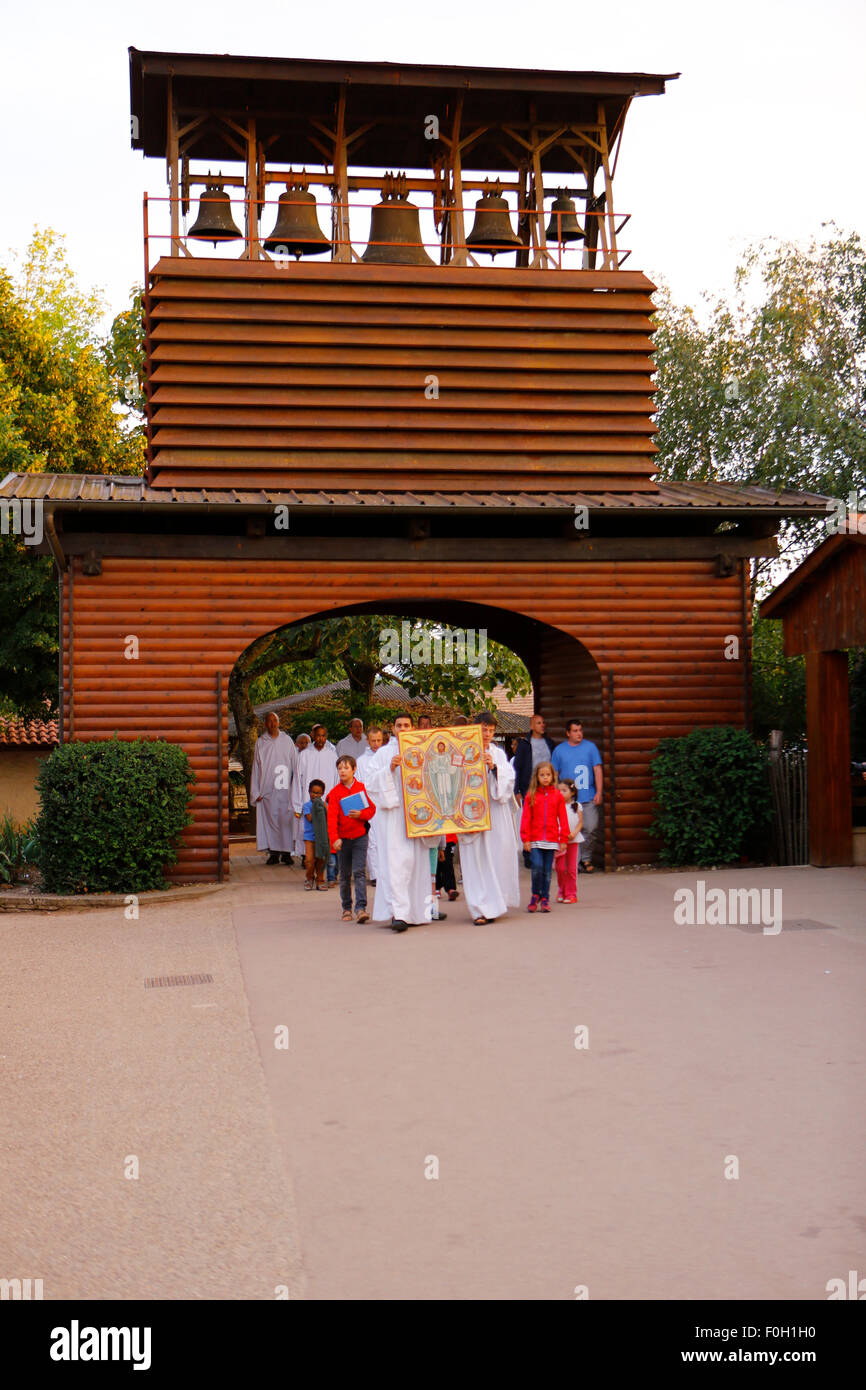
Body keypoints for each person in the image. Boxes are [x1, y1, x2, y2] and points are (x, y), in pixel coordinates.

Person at [363, 713, 445, 932]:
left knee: (418, 864)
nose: (403, 729)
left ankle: (417, 912)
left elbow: (437, 778)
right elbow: (370, 783)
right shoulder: (383, 754)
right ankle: (398, 913)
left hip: (418, 817)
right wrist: (388, 769)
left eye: (407, 725)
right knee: (397, 864)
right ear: (393, 728)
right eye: (399, 725)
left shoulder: (423, 750)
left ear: (412, 727)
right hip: (394, 818)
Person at [459, 711, 520, 925]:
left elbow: (508, 779)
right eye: (483, 729)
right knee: (475, 860)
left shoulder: (498, 753)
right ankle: (479, 909)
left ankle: (496, 904)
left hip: (494, 813)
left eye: (491, 730)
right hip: (472, 813)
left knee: (495, 856)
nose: (487, 733)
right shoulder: (462, 751)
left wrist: (494, 768)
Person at [326, 755, 376, 923]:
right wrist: (334, 838)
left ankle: (361, 908)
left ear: (354, 769)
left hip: (360, 836)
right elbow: (331, 819)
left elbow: (372, 810)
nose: (342, 771)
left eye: (346, 768)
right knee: (345, 875)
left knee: (359, 872)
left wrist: (361, 814)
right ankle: (346, 908)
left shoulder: (362, 788)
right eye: (340, 768)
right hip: (343, 839)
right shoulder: (334, 793)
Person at [551, 720, 603, 873]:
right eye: (575, 731)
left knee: (591, 827)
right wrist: (555, 793)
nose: (578, 733)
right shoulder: (559, 750)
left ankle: (585, 858)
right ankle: (574, 861)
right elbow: (555, 774)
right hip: (568, 799)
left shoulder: (590, 748)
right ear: (568, 733)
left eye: (580, 730)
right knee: (570, 830)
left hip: (588, 795)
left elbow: (597, 769)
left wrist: (599, 791)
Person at [520, 761, 569, 913]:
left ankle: (545, 898)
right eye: (542, 775)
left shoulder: (557, 796)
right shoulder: (531, 795)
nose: (545, 778)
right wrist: (525, 838)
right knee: (537, 867)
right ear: (537, 777)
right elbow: (526, 817)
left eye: (548, 775)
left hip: (552, 839)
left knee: (547, 871)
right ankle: (535, 894)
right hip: (535, 839)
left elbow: (563, 818)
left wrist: (563, 839)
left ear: (553, 776)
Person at [250, 711, 297, 865]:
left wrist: (296, 788)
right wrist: (255, 791)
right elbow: (256, 767)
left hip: (285, 789)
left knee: (286, 821)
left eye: (274, 721)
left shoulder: (287, 741)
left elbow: (295, 765)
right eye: (269, 721)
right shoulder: (261, 742)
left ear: (278, 722)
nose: (272, 723)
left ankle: (287, 853)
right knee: (270, 822)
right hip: (268, 789)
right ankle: (274, 853)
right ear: (265, 724)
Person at [294, 725, 339, 881]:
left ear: (326, 737)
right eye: (318, 735)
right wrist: (297, 804)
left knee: (326, 840)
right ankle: (309, 870)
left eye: (323, 736)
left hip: (326, 804)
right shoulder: (304, 755)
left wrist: (334, 804)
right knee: (309, 837)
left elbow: (336, 780)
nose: (320, 739)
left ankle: (324, 874)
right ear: (313, 736)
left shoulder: (332, 756)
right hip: (308, 803)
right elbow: (297, 781)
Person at [512, 714, 556, 868]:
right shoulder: (525, 744)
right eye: (538, 723)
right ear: (531, 726)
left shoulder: (549, 743)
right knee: (529, 820)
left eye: (543, 722)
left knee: (545, 818)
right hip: (529, 787)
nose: (542, 725)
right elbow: (517, 767)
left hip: (547, 788)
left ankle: (544, 850)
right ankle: (528, 853)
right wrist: (516, 789)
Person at [356, 726, 384, 884]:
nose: (376, 744)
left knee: (386, 839)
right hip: (370, 804)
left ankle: (387, 872)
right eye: (373, 741)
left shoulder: (386, 756)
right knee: (372, 840)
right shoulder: (361, 761)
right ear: (368, 741)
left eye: (379, 740)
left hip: (386, 803)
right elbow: (360, 785)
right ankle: (374, 874)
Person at [554, 781, 584, 904]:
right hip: (560, 840)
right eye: (559, 790)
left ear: (572, 793)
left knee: (571, 868)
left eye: (564, 790)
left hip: (573, 840)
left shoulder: (577, 806)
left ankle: (571, 893)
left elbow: (580, 822)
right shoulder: (556, 805)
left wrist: (574, 833)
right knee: (560, 868)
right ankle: (562, 889)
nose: (561, 793)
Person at [301, 779, 330, 890]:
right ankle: (309, 878)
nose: (315, 795)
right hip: (310, 838)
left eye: (318, 793)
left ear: (322, 794)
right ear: (309, 792)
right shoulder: (307, 806)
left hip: (322, 838)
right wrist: (318, 808)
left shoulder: (324, 805)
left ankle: (320, 880)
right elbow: (311, 818)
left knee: (321, 859)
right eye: (313, 792)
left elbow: (329, 815)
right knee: (309, 860)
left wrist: (323, 806)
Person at [291, 732, 311, 859]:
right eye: (301, 743)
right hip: (297, 793)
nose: (304, 745)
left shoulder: (311, 756)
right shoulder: (294, 756)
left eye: (306, 743)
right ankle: (303, 854)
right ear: (297, 744)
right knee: (299, 828)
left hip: (311, 793)